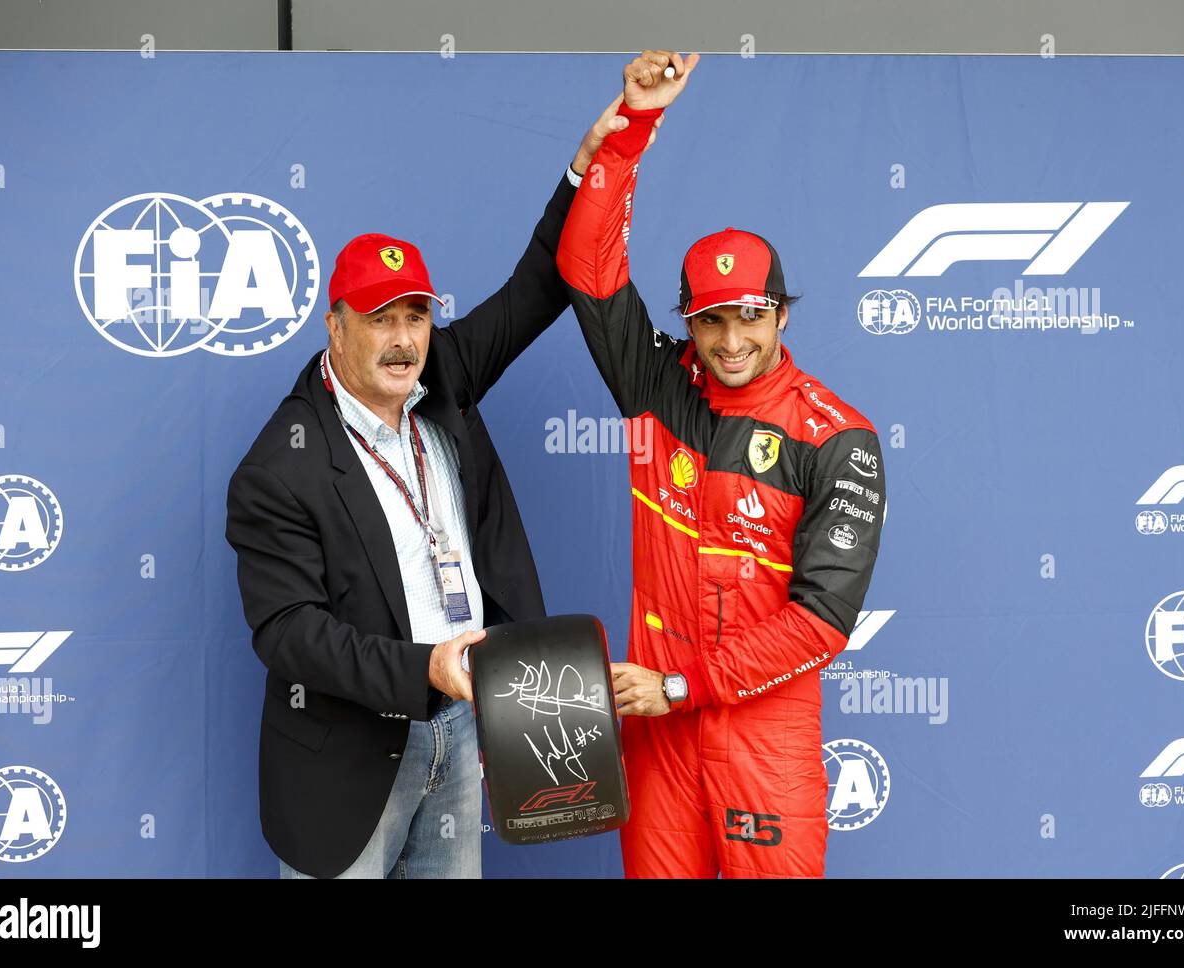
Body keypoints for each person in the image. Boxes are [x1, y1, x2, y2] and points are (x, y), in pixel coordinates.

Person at [225, 86, 661, 880]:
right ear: (336, 327)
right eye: (380, 318)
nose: (402, 341)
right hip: (347, 763)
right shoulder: (279, 466)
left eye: (416, 317)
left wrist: (600, 155)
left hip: (460, 734)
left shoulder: (445, 379)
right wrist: (422, 668)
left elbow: (537, 283)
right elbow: (287, 632)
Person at [557, 51, 887, 878]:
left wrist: (681, 687)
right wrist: (633, 124)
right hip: (658, 741)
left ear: (779, 312)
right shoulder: (655, 383)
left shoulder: (838, 436)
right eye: (711, 321)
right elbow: (587, 269)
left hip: (759, 738)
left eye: (752, 317)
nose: (732, 341)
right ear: (688, 323)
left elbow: (822, 623)